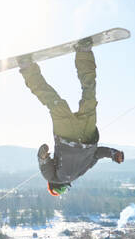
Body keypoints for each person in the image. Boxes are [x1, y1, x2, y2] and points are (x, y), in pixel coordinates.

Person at [19, 39, 125, 195]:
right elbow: (97, 154)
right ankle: (82, 53)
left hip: (73, 136)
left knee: (74, 99)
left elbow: (44, 165)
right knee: (67, 100)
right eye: (63, 189)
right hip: (81, 136)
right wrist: (112, 154)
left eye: (59, 189)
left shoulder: (53, 177)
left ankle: (81, 53)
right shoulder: (80, 172)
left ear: (53, 185)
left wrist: (43, 157)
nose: (62, 186)